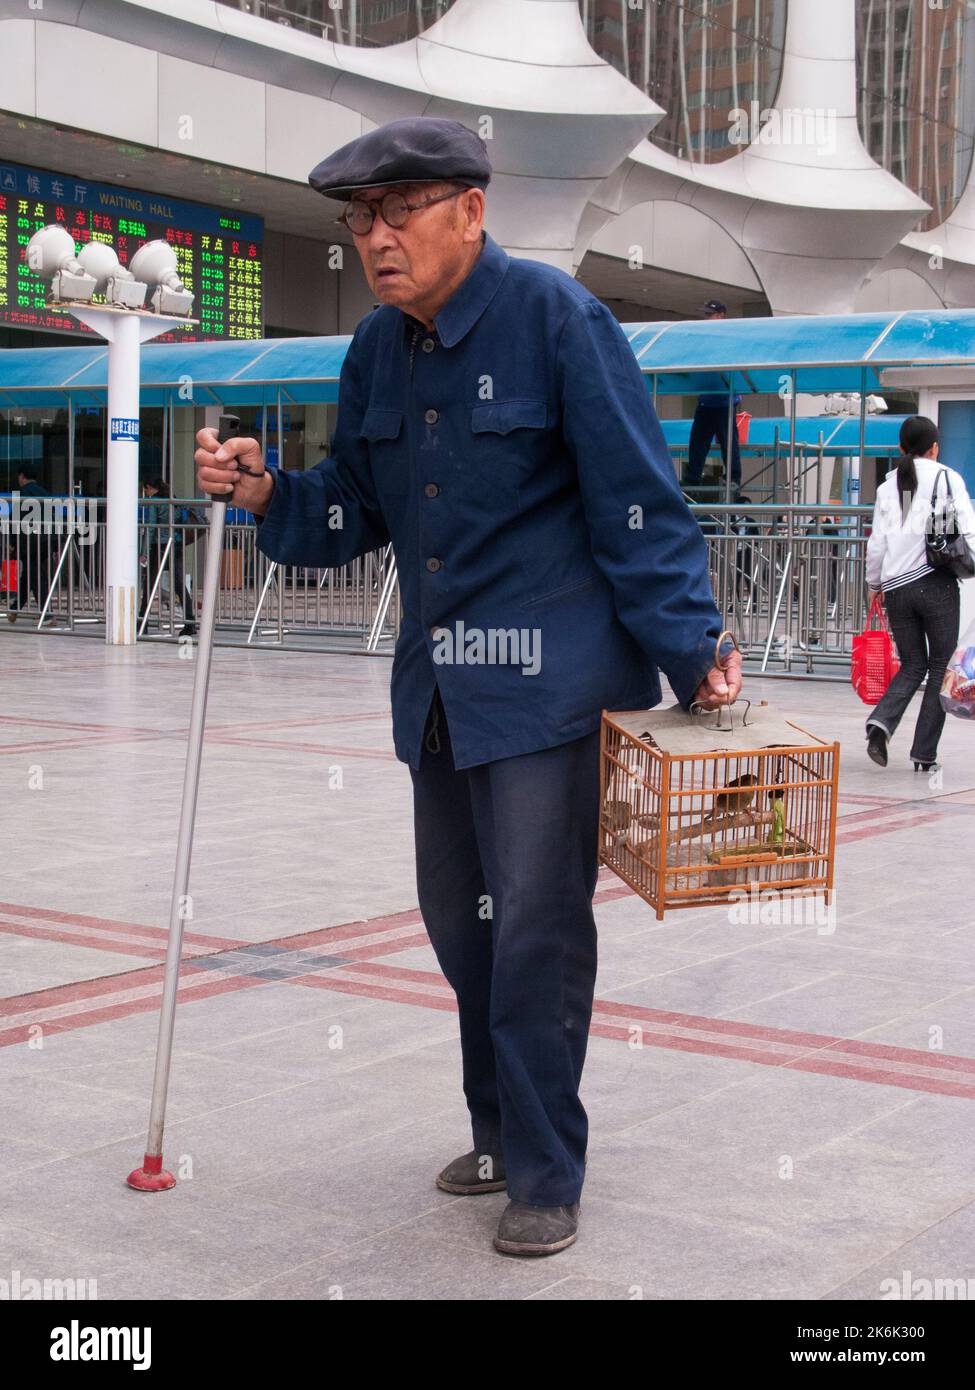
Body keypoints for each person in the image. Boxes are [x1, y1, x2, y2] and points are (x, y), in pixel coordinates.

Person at [195, 117, 742, 1259]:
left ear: (471, 211)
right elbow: (354, 508)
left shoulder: (558, 322)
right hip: (444, 694)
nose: (376, 238)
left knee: (537, 928)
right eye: (360, 220)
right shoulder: (374, 352)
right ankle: (498, 1130)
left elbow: (636, 502)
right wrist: (266, 495)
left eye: (400, 211)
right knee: (463, 924)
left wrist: (694, 646)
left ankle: (546, 1168)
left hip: (552, 692)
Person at [865, 416, 975, 772]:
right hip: (937, 585)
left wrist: (874, 584)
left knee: (913, 663)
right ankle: (924, 753)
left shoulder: (888, 487)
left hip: (897, 588)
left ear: (900, 448)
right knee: (940, 666)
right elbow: (967, 532)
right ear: (935, 447)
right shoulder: (947, 478)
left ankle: (880, 723)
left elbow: (878, 543)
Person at [683, 299, 742, 490]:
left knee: (728, 441)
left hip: (725, 401)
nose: (706, 318)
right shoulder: (704, 338)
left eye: (710, 315)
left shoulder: (731, 337)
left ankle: (733, 477)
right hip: (706, 401)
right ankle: (692, 478)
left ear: (721, 316)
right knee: (697, 441)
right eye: (706, 315)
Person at [138, 477, 197, 637]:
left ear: (150, 487)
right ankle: (190, 621)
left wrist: (144, 552)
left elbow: (151, 528)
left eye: (146, 490)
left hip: (160, 546)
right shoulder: (173, 499)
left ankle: (142, 622)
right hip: (176, 545)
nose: (146, 493)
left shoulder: (155, 502)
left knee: (150, 584)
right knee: (179, 584)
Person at [6, 465, 55, 625]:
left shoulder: (22, 495)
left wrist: (12, 543)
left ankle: (47, 615)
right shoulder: (44, 494)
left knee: (35, 577)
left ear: (22, 476)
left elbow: (16, 521)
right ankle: (14, 609)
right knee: (29, 575)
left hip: (29, 543)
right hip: (45, 541)